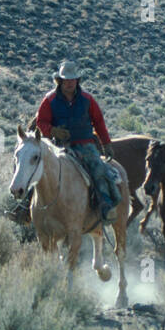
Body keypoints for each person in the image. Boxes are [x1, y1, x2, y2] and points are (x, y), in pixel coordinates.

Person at [32, 59, 120, 222]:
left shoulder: (87, 99)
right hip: (58, 146)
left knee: (99, 170)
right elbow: (41, 122)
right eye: (66, 79)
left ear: (77, 80)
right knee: (36, 169)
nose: (70, 82)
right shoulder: (49, 99)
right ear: (59, 80)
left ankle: (106, 206)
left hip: (85, 145)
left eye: (73, 79)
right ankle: (26, 209)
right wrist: (52, 131)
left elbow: (99, 122)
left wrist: (106, 144)